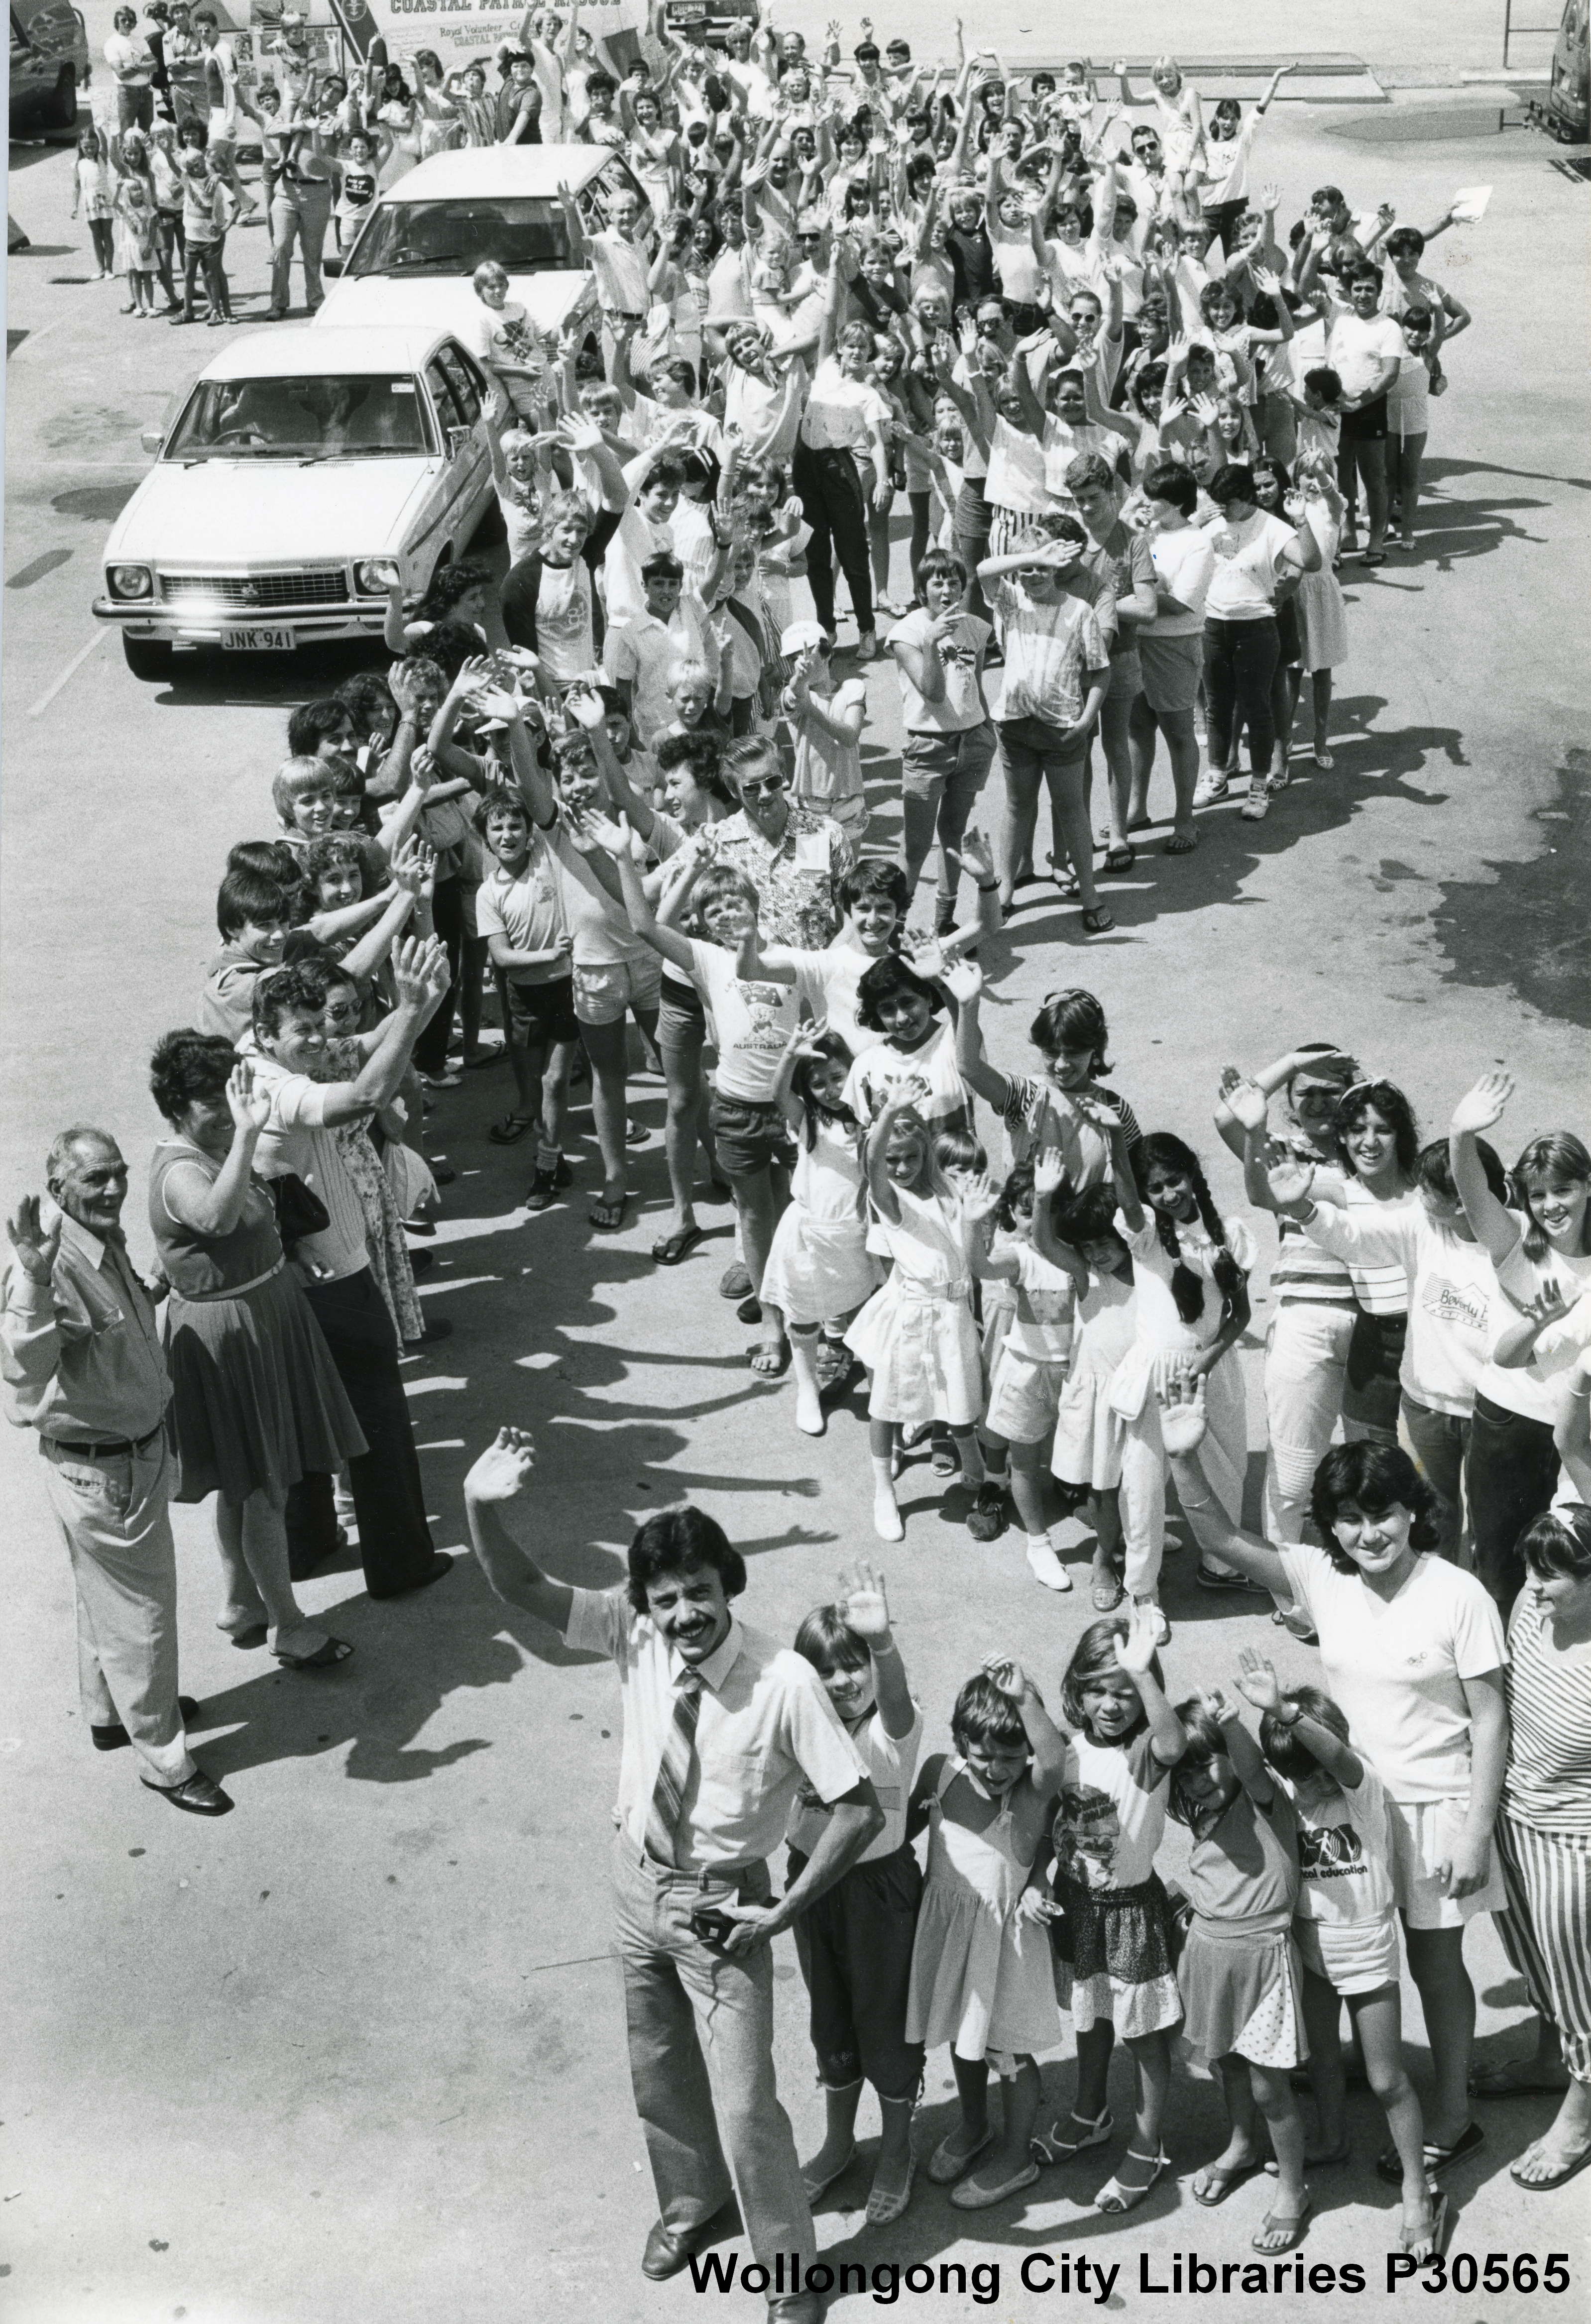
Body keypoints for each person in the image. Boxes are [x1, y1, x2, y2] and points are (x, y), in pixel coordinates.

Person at [462, 1430, 881, 2324]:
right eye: (666, 1597)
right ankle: (693, 2204)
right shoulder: (634, 1632)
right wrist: (480, 1508)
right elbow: (520, 1589)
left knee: (746, 2107)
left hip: (727, 1904)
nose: (685, 1612)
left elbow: (857, 1806)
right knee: (656, 2066)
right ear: (644, 1604)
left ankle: (792, 2276)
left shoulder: (785, 1680)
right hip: (634, 1875)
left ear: (726, 1583)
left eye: (699, 1590)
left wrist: (781, 1912)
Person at [1161, 1387, 1508, 2188]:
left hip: (1432, 1807)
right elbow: (1217, 1536)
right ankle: (1367, 2068)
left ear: (1414, 1512)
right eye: (1348, 1518)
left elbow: (1489, 1720)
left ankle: (1452, 2115)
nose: (1367, 1533)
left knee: (1434, 1962)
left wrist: (1476, 1831)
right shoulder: (1324, 1575)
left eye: (1381, 1513)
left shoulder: (1459, 1594)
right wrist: (1184, 1455)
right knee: (1337, 1956)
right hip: (1334, 1806)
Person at [2, 1132, 228, 1815]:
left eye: (119, 1174)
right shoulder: (47, 1265)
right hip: (106, 1472)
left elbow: (105, 1329)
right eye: (95, 1179)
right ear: (60, 1185)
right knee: (144, 1617)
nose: (113, 1190)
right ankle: (164, 1758)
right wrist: (36, 1279)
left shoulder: (102, 1240)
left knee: (102, 1594)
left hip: (122, 1460)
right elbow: (22, 1370)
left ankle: (109, 1711)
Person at [243, 945, 455, 1600]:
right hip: (337, 1281)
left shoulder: (257, 1059)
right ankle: (400, 1563)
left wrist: (422, 1001)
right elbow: (367, 1089)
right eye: (303, 1031)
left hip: (293, 1284)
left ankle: (310, 1547)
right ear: (269, 1034)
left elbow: (363, 1045)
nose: (316, 1041)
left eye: (317, 1025)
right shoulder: (284, 1088)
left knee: (305, 1423)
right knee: (381, 1428)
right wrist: (415, 1004)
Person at [146, 1036, 364, 1669]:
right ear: (174, 1106)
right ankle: (289, 1627)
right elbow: (213, 1220)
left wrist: (285, 1256)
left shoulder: (216, 1150)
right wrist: (245, 1135)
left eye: (231, 1094)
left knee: (243, 1483)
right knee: (266, 1485)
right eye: (206, 1100)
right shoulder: (182, 1167)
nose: (224, 1109)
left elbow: (245, 1223)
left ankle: (243, 1602)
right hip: (230, 1337)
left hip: (266, 1315)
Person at [1237, 1648, 1442, 2257]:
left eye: (1318, 1769)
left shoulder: (1360, 1786)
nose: (1316, 1782)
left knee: (1384, 2077)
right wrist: (1232, 1722)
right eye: (1303, 1775)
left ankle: (1415, 2188)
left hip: (1366, 1947)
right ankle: (1329, 2140)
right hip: (1307, 1942)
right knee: (1322, 2059)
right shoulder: (1290, 1792)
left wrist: (1286, 1711)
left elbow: (1339, 1760)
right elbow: (1253, 1775)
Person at [1027, 1608, 1187, 2213]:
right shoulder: (1065, 1753)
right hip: (1075, 1908)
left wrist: (1143, 1674)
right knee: (1090, 2017)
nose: (1112, 1704)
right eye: (1098, 1689)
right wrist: (1033, 1883)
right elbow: (1051, 1828)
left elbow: (1173, 1741)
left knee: (1143, 2035)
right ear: (1077, 1691)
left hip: (1130, 1913)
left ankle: (1147, 2146)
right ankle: (1088, 2111)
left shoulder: (1146, 1752)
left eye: (1125, 1692)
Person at [788, 1562, 924, 2224]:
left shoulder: (889, 1729)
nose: (843, 1680)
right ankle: (840, 2142)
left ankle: (897, 2151)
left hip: (880, 1895)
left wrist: (884, 1643)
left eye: (854, 1664)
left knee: (888, 2028)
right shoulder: (797, 1728)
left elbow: (895, 1703)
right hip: (813, 1888)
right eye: (826, 1669)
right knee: (832, 2023)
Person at [904, 1660, 1066, 2209]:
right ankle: (974, 2126)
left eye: (1010, 1755)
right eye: (983, 1753)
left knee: (1007, 2054)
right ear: (959, 1742)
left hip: (1003, 1951)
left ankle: (1018, 2157)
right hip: (950, 1937)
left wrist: (1025, 1700)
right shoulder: (938, 1774)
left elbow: (1053, 1758)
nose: (997, 1767)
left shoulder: (1025, 1800)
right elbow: (897, 1832)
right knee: (961, 2035)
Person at [1167, 1687, 1313, 2255]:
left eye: (1205, 1762)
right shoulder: (1201, 1812)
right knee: (1226, 2064)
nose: (1197, 1779)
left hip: (1262, 1960)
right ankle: (1241, 2144)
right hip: (1209, 1955)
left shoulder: (1262, 1798)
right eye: (1186, 1772)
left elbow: (1250, 1766)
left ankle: (1292, 2190)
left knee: (1267, 2085)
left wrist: (1230, 1724)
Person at [1477, 1508, 1591, 2191]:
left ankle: (1579, 2116)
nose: (1532, 1586)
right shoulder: (1529, 1605)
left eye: (1551, 1576)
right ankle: (1550, 2060)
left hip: (1575, 1842)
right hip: (1510, 1817)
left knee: (1582, 1987)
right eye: (1529, 1569)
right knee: (1530, 1959)